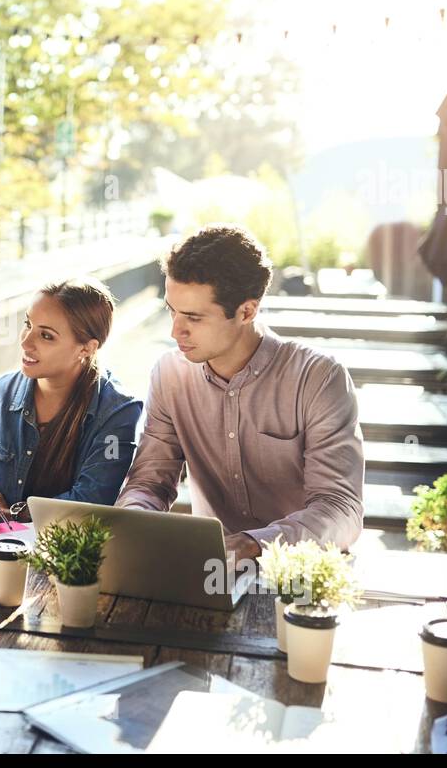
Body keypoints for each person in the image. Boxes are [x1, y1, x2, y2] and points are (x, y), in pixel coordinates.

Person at [115, 224, 364, 561]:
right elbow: (149, 482)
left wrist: (253, 544)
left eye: (193, 317)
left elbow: (340, 509)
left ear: (247, 311)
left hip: (299, 574)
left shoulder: (317, 378)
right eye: (171, 310)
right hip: (208, 574)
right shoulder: (170, 374)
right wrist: (134, 521)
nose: (175, 330)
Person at [0, 278, 142, 524]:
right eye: (27, 324)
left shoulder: (118, 412)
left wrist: (14, 512)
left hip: (70, 554)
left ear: (86, 348)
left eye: (46, 335)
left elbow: (94, 502)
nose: (25, 342)